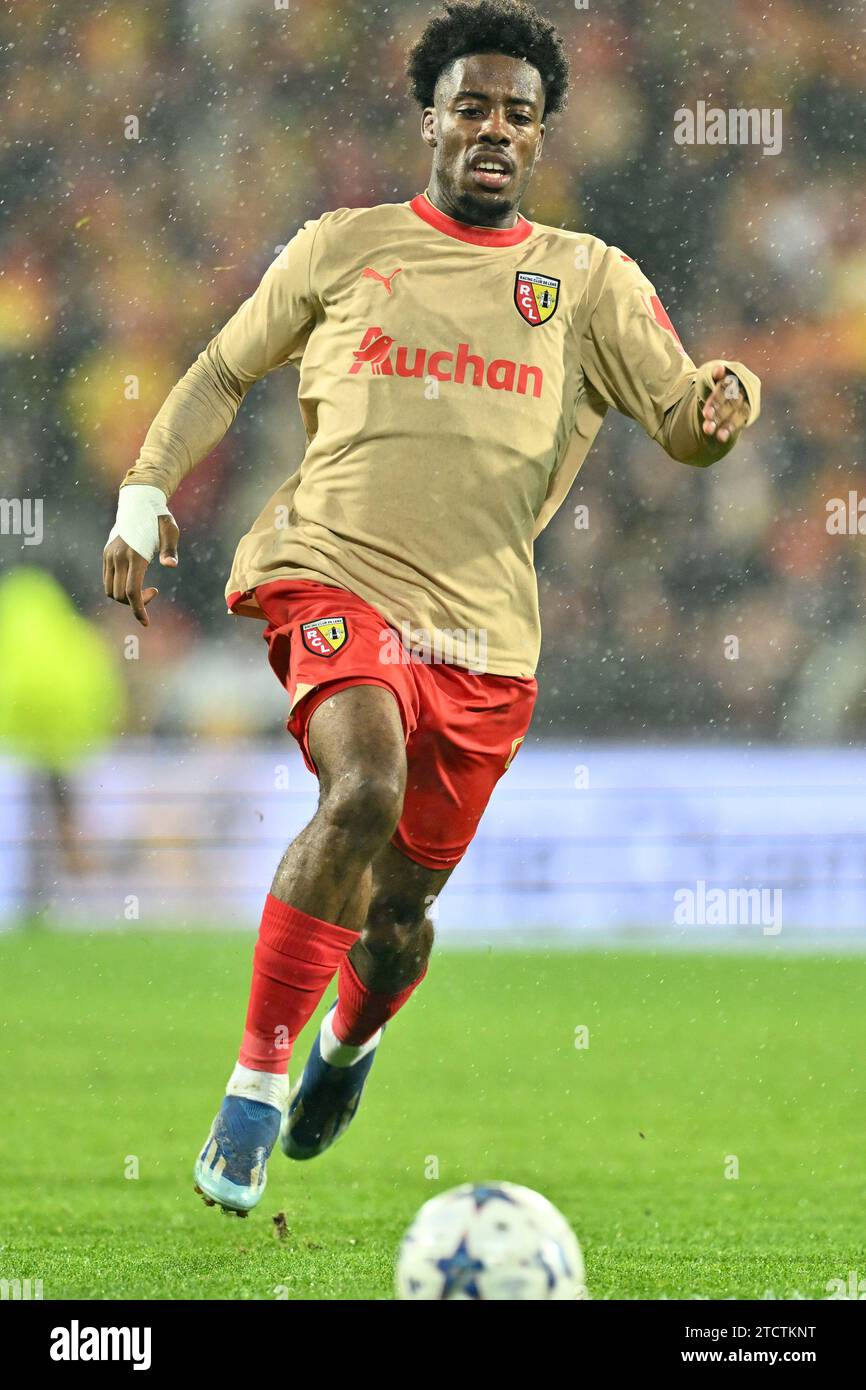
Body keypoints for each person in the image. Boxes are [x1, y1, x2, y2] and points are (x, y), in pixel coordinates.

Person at [102, 0, 760, 1215]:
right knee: (361, 787)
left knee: (397, 916)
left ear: (542, 138)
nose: (493, 128)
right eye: (471, 107)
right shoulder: (342, 246)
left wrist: (725, 402)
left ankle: (349, 1041)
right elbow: (220, 369)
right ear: (431, 122)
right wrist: (144, 493)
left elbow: (682, 424)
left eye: (518, 112)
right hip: (333, 572)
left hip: (484, 638)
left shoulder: (585, 282)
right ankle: (251, 1088)